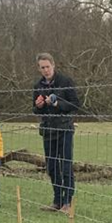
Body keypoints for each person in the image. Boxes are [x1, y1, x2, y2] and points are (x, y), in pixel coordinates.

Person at [32, 54, 80, 212]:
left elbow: (75, 105)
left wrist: (57, 103)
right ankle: (57, 200)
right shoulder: (38, 86)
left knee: (65, 165)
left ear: (53, 65)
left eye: (47, 67)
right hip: (47, 130)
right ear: (39, 68)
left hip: (64, 128)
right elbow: (34, 108)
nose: (45, 70)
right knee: (52, 167)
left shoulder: (65, 82)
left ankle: (68, 201)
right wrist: (38, 106)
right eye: (42, 67)